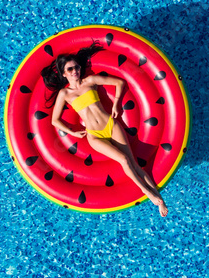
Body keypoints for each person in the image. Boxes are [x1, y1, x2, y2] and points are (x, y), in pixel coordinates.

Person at [40, 44, 168, 217]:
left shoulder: (90, 81)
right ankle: (147, 192)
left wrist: (116, 103)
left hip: (111, 124)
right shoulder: (65, 94)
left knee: (134, 163)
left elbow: (119, 83)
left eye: (76, 67)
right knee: (123, 159)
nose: (74, 71)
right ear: (64, 73)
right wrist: (73, 133)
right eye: (70, 69)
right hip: (95, 135)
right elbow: (55, 120)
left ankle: (159, 200)